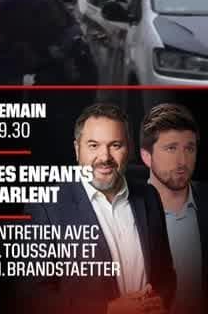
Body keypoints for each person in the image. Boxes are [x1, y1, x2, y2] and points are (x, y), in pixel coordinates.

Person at [24, 103, 176, 314]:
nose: (105, 157)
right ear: (77, 149)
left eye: (115, 145)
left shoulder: (149, 197)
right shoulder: (46, 207)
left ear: (129, 148)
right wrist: (108, 310)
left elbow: (166, 275)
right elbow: (33, 297)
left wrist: (160, 301)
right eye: (93, 145)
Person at [141, 103, 206, 314]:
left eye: (189, 148)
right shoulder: (127, 211)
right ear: (146, 156)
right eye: (171, 148)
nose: (182, 161)